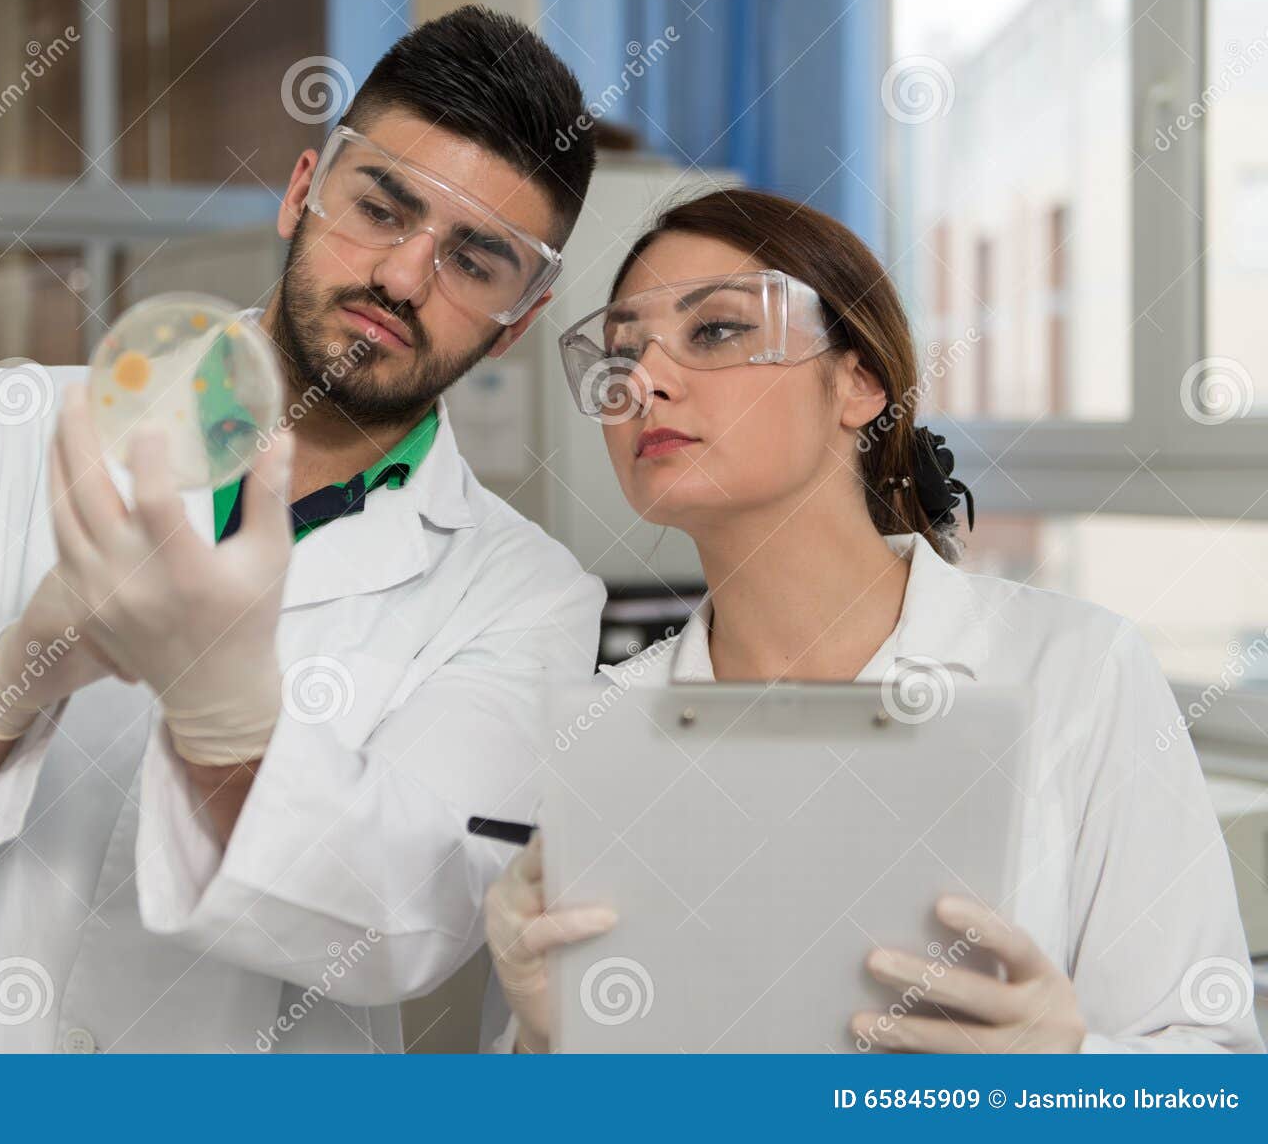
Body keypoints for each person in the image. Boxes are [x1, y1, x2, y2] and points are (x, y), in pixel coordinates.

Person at [0, 6, 606, 1053]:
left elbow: (408, 928)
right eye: (381, 208)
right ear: (302, 193)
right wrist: (18, 668)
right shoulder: (20, 426)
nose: (401, 277)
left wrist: (228, 725)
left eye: (475, 261)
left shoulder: (525, 593)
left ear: (518, 318)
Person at [484, 187, 1265, 1054]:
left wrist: (1066, 1072)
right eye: (621, 354)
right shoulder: (608, 729)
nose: (643, 381)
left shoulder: (1076, 670)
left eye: (716, 331)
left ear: (859, 382)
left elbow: (1211, 1078)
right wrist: (547, 1041)